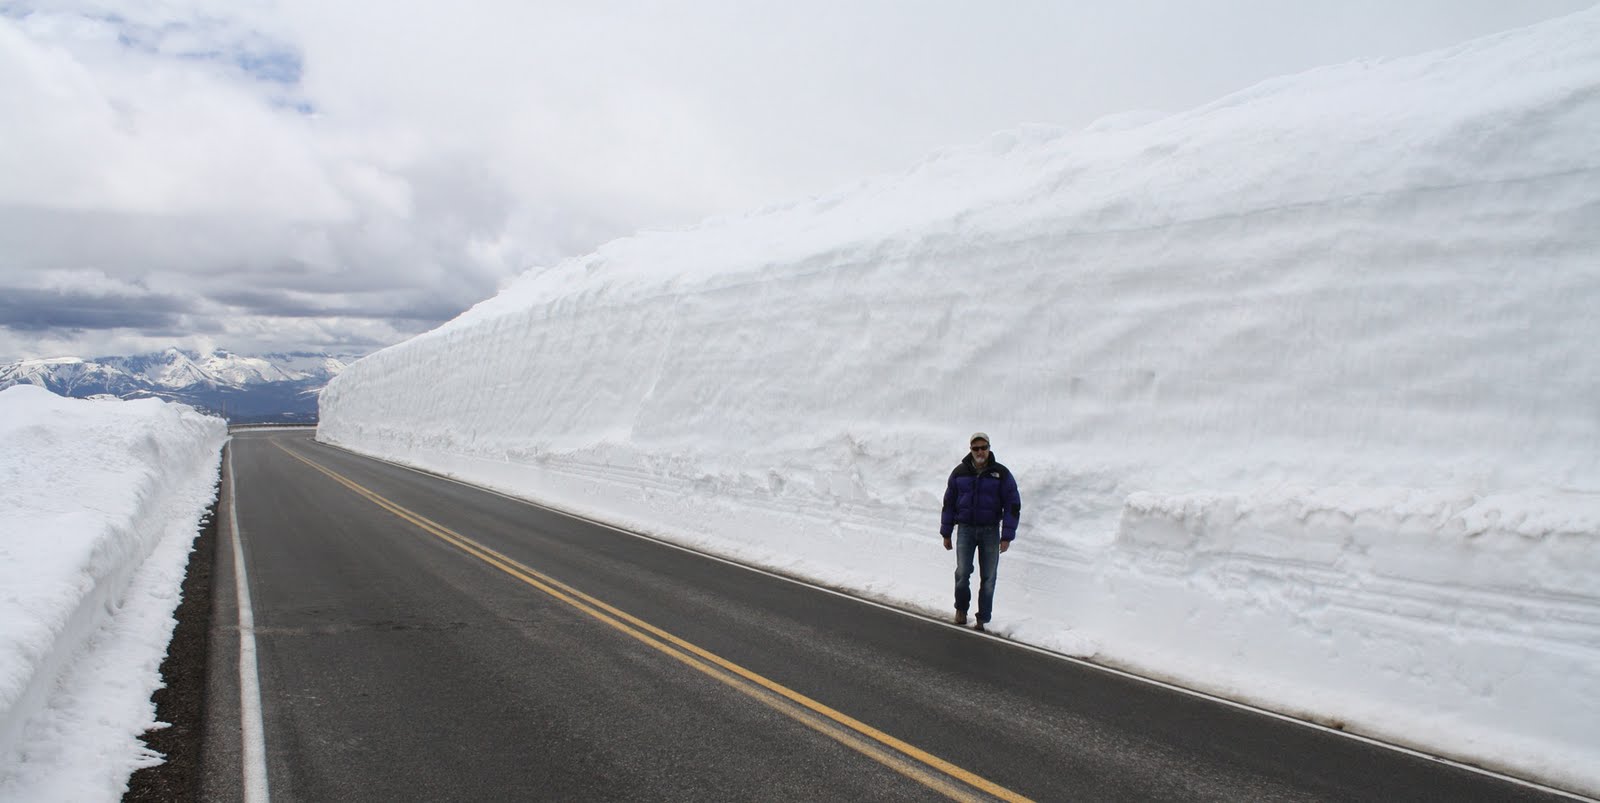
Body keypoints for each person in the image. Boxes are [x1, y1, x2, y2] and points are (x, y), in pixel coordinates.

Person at [940, 432, 1021, 631]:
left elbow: (1012, 505)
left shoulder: (1001, 473)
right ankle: (961, 610)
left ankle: (982, 619)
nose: (980, 452)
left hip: (990, 532)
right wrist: (946, 532)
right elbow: (949, 503)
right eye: (976, 448)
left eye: (983, 447)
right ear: (970, 450)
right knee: (962, 573)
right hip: (965, 530)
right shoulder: (959, 472)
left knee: (989, 577)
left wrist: (1007, 536)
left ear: (989, 448)